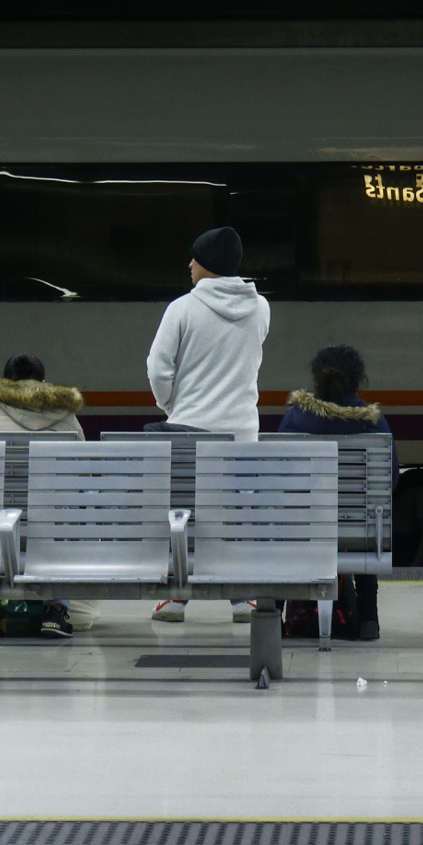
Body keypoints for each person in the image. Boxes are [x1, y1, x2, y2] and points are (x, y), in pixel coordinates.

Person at [146, 227, 269, 624]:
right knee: (233, 514)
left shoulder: (182, 308)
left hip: (188, 429)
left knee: (184, 516)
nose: (189, 264)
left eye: (194, 258)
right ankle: (241, 598)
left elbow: (157, 368)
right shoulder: (261, 308)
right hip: (241, 433)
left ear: (208, 265)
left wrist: (172, 406)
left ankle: (177, 598)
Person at [0, 353, 87, 638]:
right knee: (60, 515)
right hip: (48, 522)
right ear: (43, 383)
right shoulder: (66, 412)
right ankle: (54, 612)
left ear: (5, 382)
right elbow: (82, 469)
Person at [278, 344, 398, 641]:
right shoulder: (374, 423)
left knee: (286, 524)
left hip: (302, 528)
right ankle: (369, 618)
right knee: (367, 522)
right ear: (359, 381)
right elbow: (391, 478)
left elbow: (276, 480)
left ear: (316, 379)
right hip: (359, 529)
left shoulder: (294, 419)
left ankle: (274, 610)